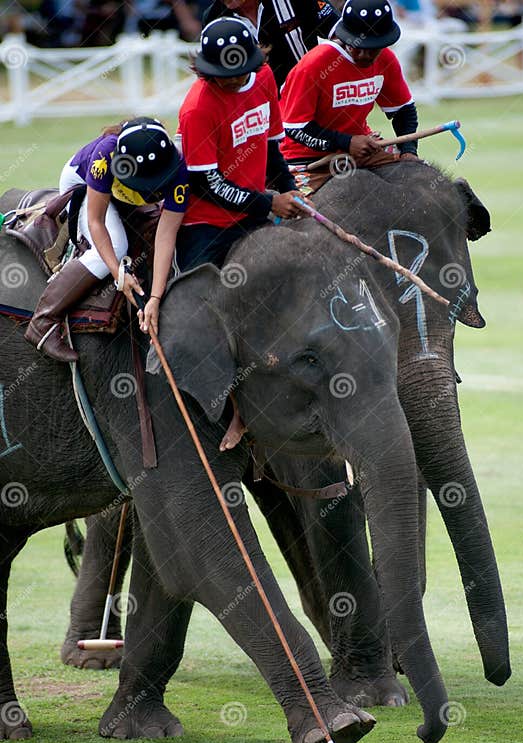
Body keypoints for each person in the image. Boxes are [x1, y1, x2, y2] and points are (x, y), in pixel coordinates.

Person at [138, 18, 304, 449]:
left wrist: (291, 190)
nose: (229, 83)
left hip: (252, 209)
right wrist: (269, 203)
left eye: (235, 75)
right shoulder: (198, 107)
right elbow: (207, 185)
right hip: (206, 222)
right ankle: (233, 407)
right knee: (203, 313)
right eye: (219, 77)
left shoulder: (264, 79)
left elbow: (270, 147)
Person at [25, 117, 189, 363]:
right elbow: (96, 221)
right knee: (116, 246)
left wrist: (154, 298)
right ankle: (44, 321)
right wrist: (119, 275)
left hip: (125, 196)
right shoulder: (105, 156)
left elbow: (166, 234)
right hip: (83, 184)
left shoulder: (179, 169)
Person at [279, 0, 420, 173]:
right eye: (357, 46)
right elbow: (295, 128)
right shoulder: (314, 65)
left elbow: (403, 110)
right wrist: (347, 142)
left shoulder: (386, 59)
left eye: (372, 48)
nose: (363, 55)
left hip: (362, 149)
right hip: (307, 156)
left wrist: (408, 150)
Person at [202, 0, 339, 88]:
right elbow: (214, 78)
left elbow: (341, 35)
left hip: (314, 93)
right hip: (261, 112)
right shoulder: (214, 19)